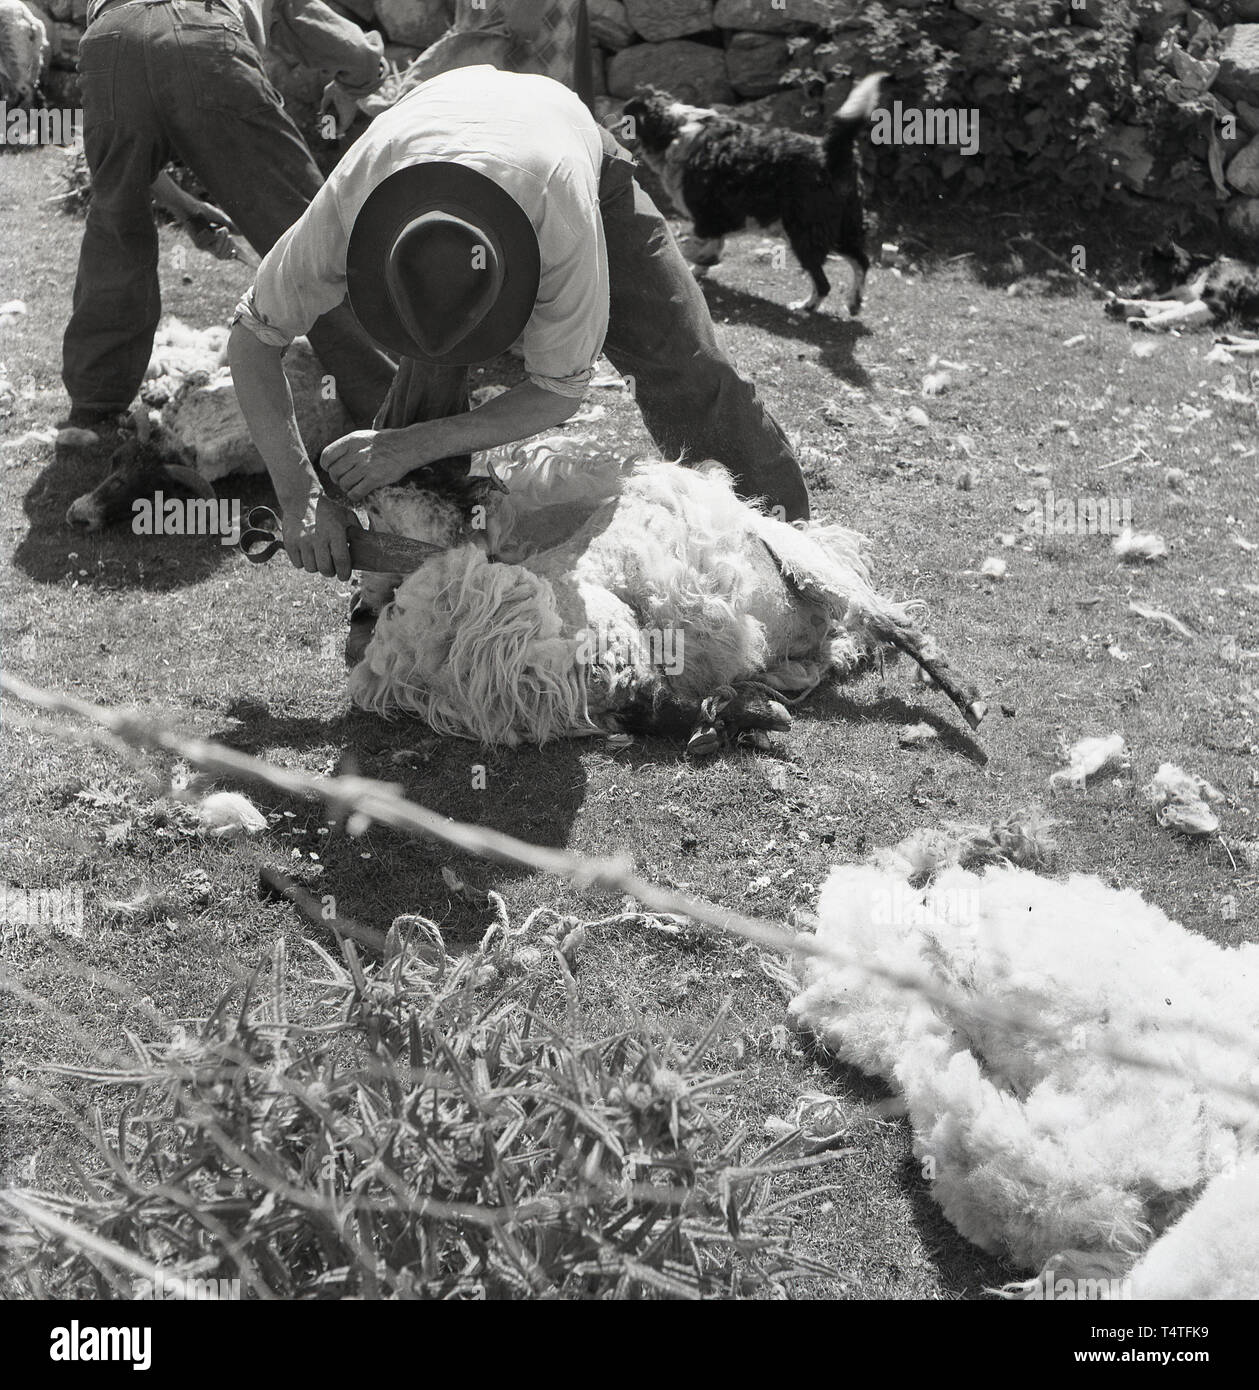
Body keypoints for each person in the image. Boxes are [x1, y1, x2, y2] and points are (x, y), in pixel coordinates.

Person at [227, 65, 809, 645]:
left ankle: (792, 570)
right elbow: (253, 338)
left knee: (683, 363)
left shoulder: (563, 221)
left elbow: (557, 391)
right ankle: (410, 584)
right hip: (438, 145)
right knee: (427, 382)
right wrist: (300, 497)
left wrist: (410, 443)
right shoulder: (347, 208)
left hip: (566, 154)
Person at [61, 0, 396, 434]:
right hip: (204, 32)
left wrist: (185, 207)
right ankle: (386, 399)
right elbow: (332, 36)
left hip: (110, 39)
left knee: (115, 230)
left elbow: (136, 130)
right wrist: (359, 82)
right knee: (305, 228)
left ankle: (95, 409)